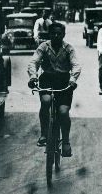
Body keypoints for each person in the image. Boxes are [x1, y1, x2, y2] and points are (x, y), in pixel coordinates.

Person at [27, 22, 81, 157]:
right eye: (53, 33)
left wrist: (73, 80)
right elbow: (34, 62)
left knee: (63, 112)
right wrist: (33, 77)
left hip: (64, 81)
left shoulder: (69, 48)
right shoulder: (43, 47)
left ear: (63, 34)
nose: (56, 36)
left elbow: (76, 65)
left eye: (59, 34)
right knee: (46, 101)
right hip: (47, 79)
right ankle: (44, 133)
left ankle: (66, 142)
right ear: (49, 34)